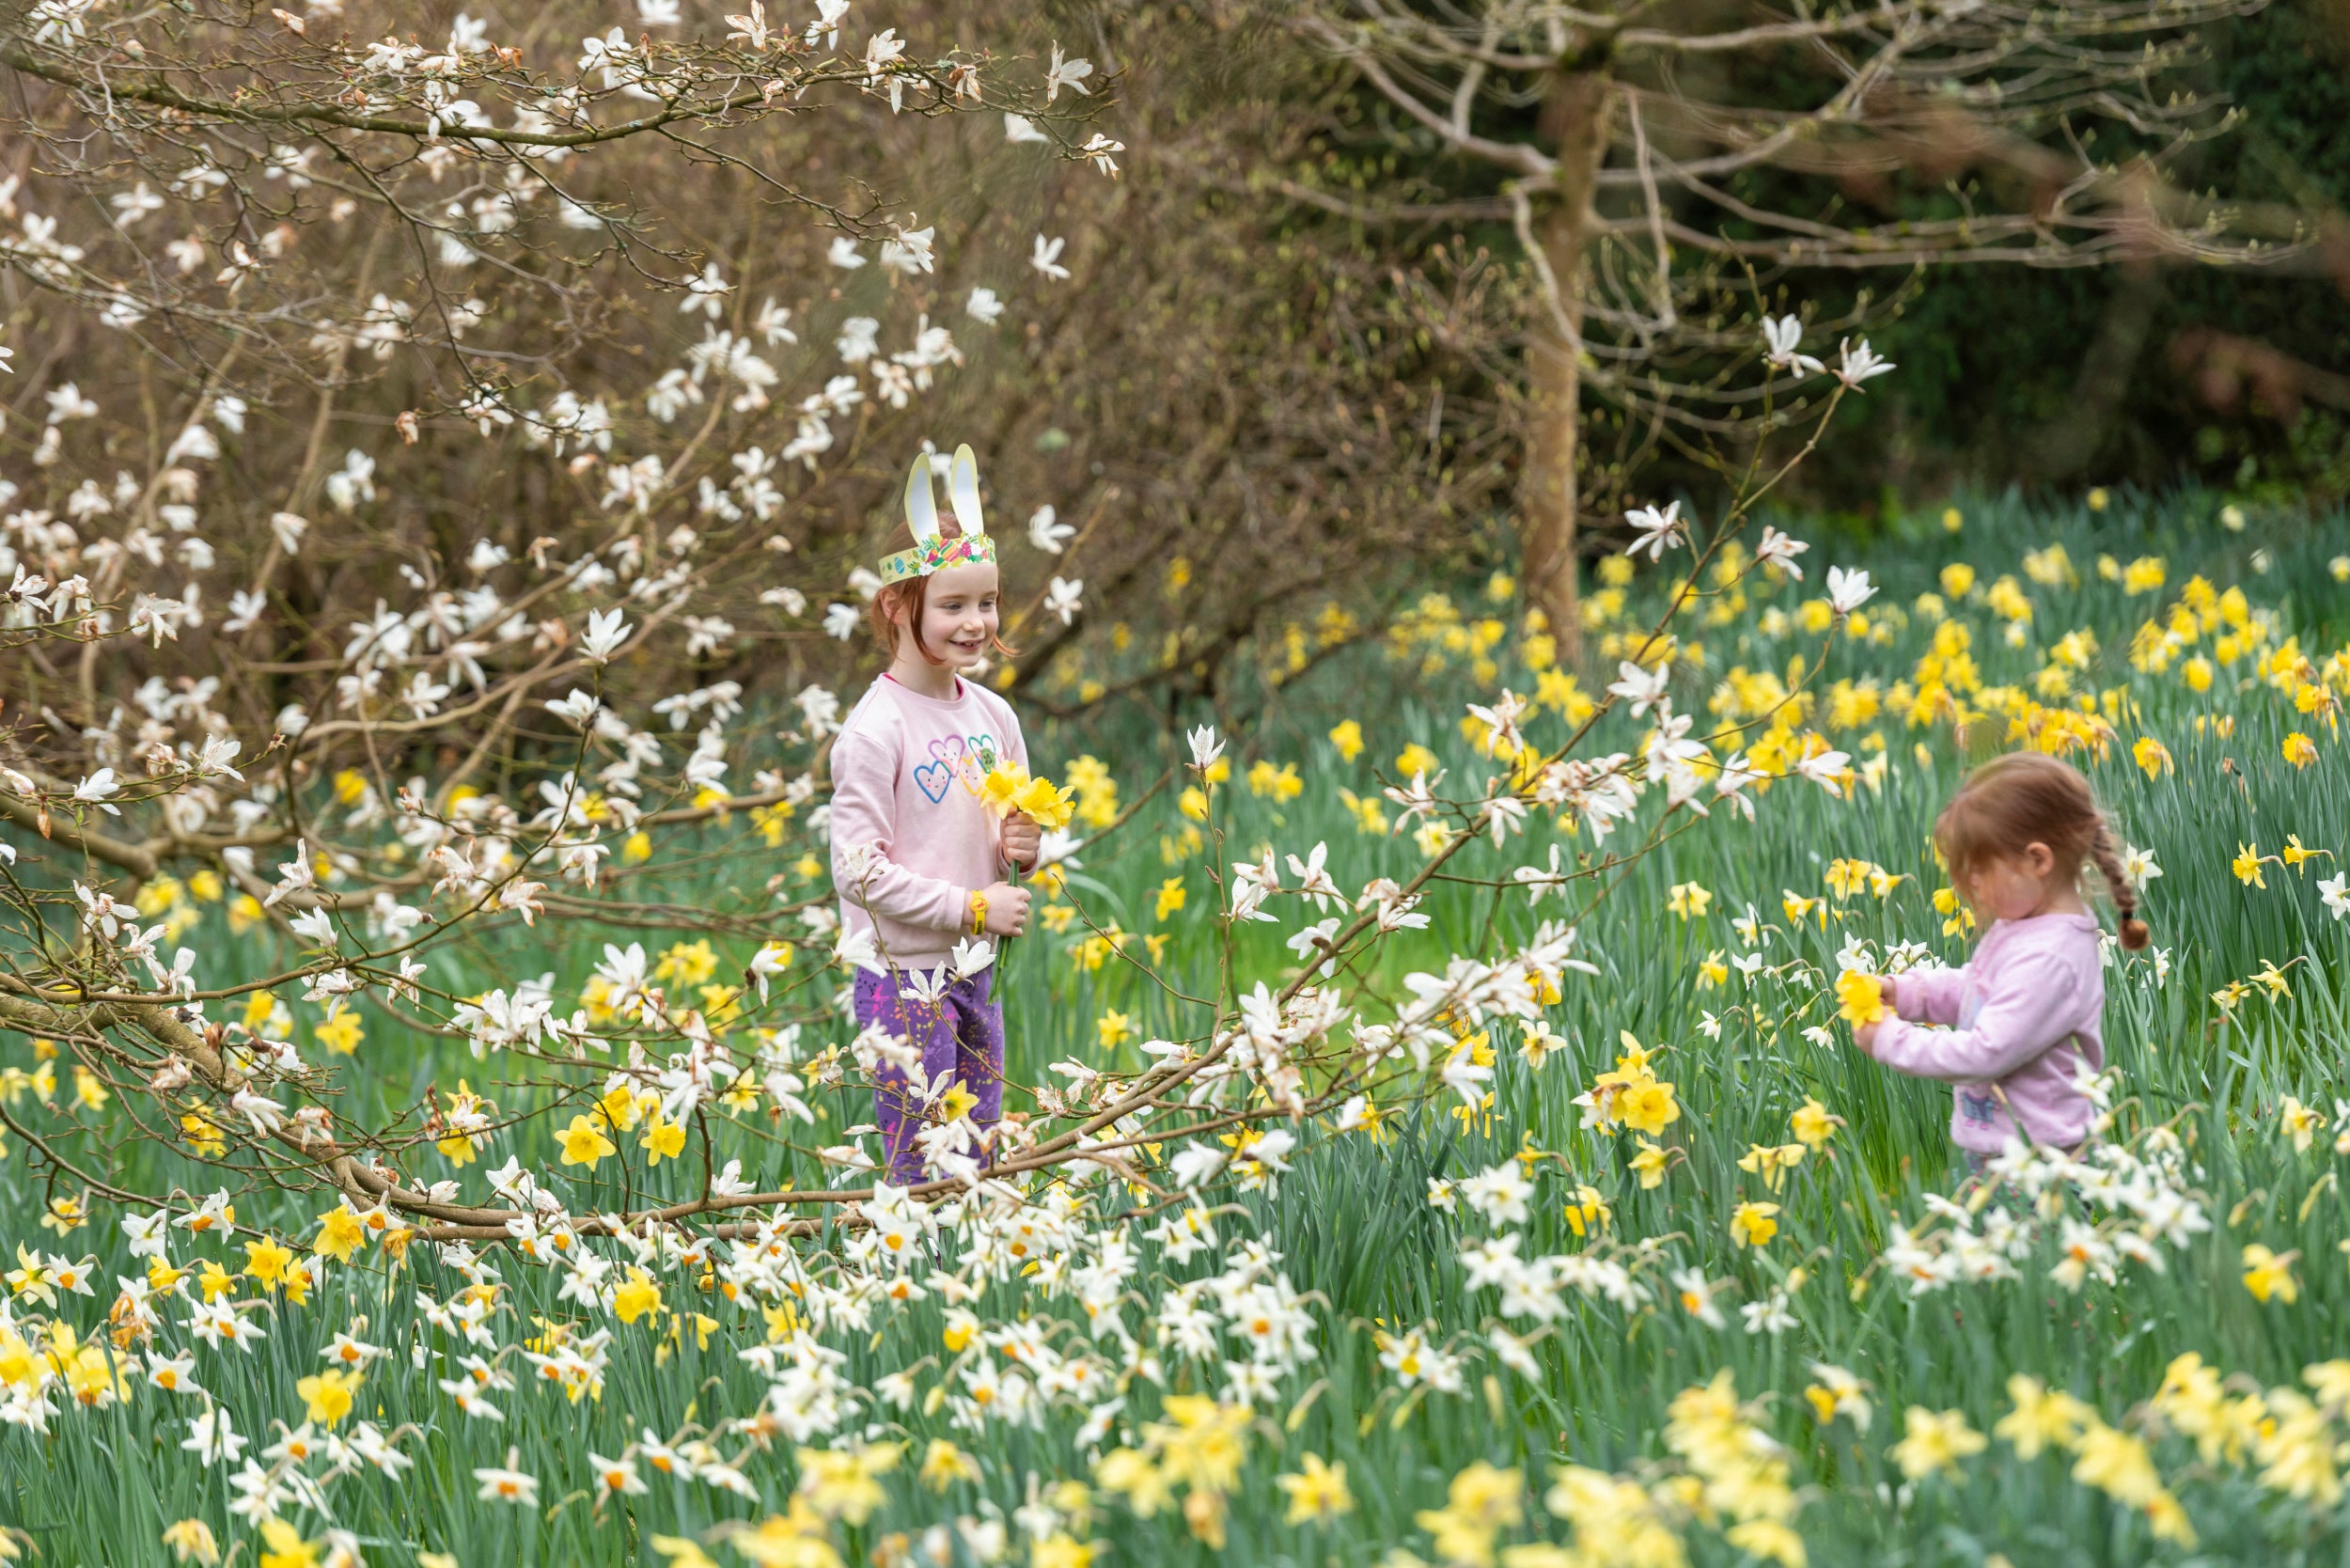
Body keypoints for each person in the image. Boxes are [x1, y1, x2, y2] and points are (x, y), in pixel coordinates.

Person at [828, 446, 1040, 1185]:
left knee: (979, 1154)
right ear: (898, 606)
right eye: (953, 605)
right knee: (922, 1161)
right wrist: (972, 906)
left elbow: (1005, 840)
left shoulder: (994, 716)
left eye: (987, 603)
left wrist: (1023, 848)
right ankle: (904, 1288)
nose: (977, 623)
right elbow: (858, 873)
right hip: (904, 976)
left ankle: (968, 1289)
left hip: (977, 968)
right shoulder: (874, 731)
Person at [1853, 751, 2150, 1173]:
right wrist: (1907, 993)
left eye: (1979, 872)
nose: (1969, 886)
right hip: (2005, 1150)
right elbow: (1980, 987)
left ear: (2037, 861)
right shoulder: (2027, 926)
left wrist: (1890, 1040)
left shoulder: (2050, 959)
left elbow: (1984, 1053)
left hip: (2038, 1163)